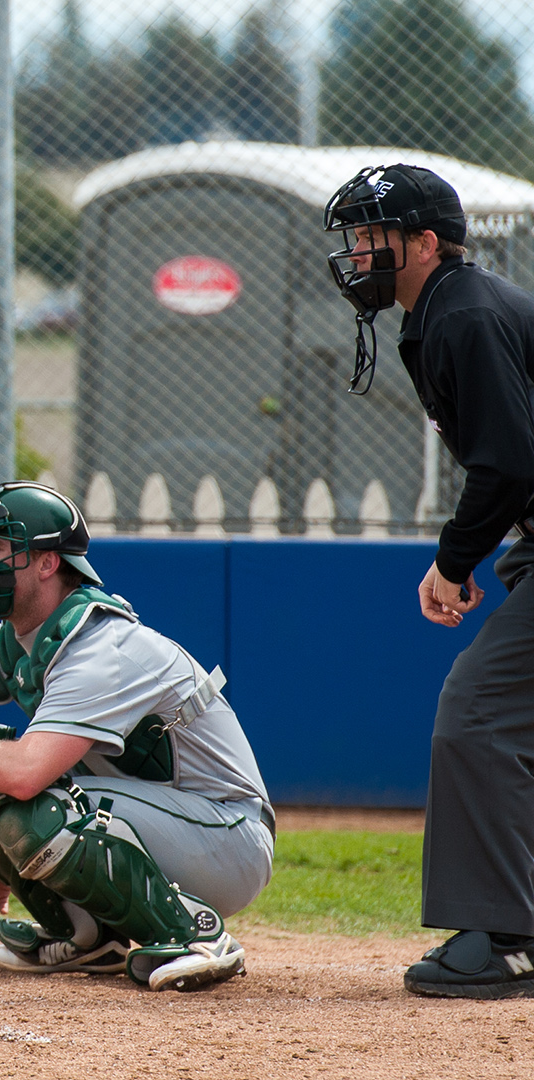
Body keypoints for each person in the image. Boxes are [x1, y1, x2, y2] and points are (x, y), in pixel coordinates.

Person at [0, 482, 272, 992]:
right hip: (163, 814)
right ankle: (89, 935)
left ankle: (193, 933)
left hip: (227, 836)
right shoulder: (21, 643)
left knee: (30, 805)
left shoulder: (103, 647)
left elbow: (25, 774)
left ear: (47, 563)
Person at [325, 164, 534, 999]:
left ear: (423, 242)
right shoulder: (451, 308)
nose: (358, 253)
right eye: (354, 238)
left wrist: (454, 559)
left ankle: (504, 936)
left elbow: (510, 464)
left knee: (477, 716)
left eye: (374, 236)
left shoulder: (466, 315)